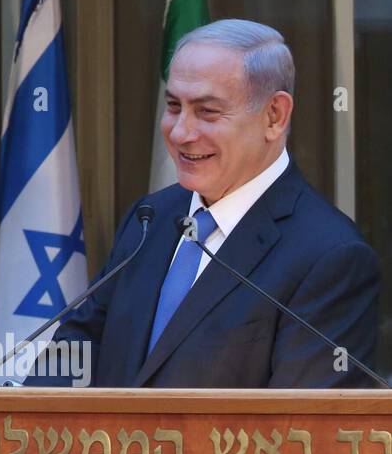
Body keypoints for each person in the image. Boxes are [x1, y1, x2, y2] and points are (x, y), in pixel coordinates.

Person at [27, 19, 381, 387]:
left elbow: (300, 432)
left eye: (207, 111)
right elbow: (75, 354)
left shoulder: (331, 258)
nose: (181, 132)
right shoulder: (151, 218)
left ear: (274, 116)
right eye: (174, 106)